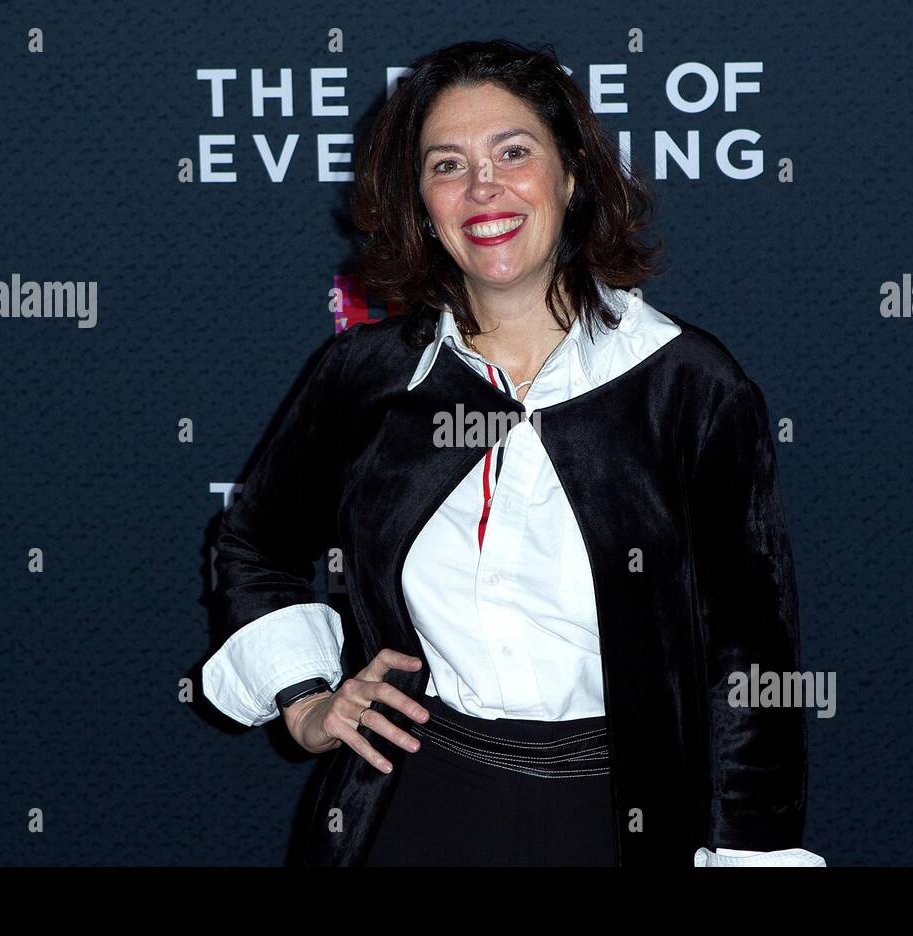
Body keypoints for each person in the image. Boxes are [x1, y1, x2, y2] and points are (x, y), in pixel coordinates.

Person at [202, 38, 825, 868]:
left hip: (620, 827)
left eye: (513, 152)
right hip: (408, 811)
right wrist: (306, 699)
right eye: (447, 165)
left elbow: (752, 659)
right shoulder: (367, 375)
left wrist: (750, 852)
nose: (482, 187)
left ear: (571, 176)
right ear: (422, 204)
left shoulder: (689, 386)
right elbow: (255, 541)